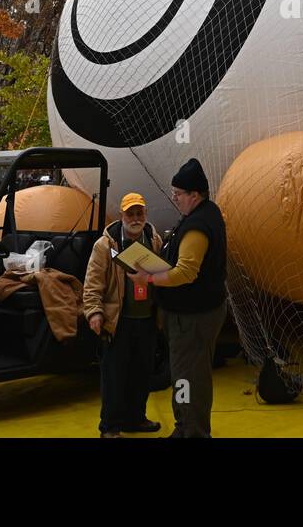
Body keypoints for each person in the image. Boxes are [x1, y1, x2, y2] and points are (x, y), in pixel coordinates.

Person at [128, 158, 227, 439]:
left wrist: (148, 278)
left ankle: (191, 431)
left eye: (179, 194)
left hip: (192, 316)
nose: (174, 198)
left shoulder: (197, 226)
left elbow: (186, 272)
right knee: (188, 373)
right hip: (195, 313)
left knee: (188, 377)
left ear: (195, 195)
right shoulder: (205, 214)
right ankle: (186, 427)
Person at [83, 192, 164, 437]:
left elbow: (161, 276)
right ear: (122, 215)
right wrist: (94, 312)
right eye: (131, 213)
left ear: (145, 215)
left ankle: (136, 418)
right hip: (118, 322)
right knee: (114, 378)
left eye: (140, 213)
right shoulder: (105, 245)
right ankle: (110, 427)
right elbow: (92, 283)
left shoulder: (154, 239)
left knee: (142, 374)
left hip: (147, 320)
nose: (136, 218)